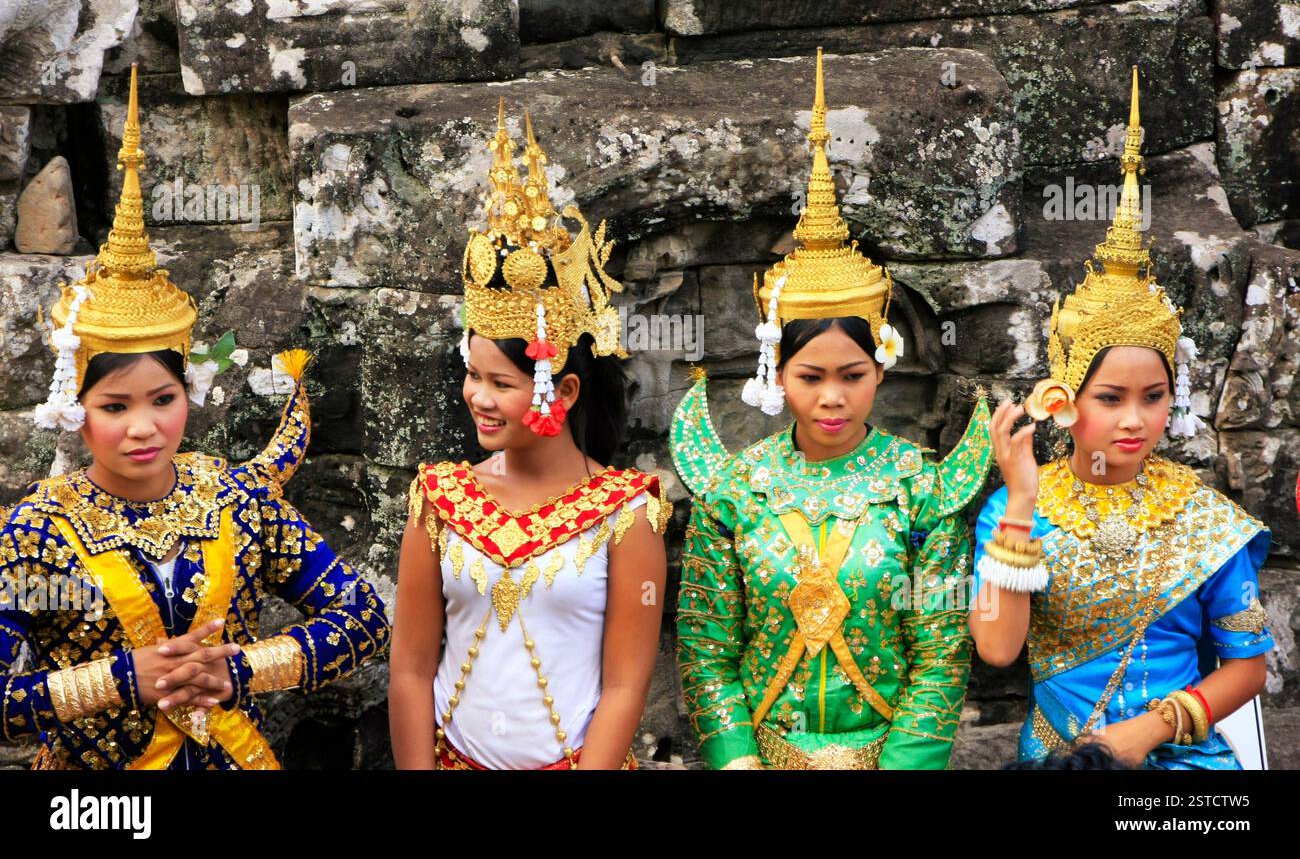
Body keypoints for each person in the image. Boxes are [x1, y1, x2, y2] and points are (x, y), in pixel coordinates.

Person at [0, 66, 390, 769]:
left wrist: (240, 670)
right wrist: (120, 681)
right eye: (114, 407)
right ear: (75, 409)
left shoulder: (237, 499)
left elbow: (362, 620)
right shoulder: (39, 531)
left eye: (163, 400)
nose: (144, 427)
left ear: (191, 394)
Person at [672, 49, 992, 770]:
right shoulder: (736, 490)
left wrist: (901, 765)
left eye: (852, 375)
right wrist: (740, 761)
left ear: (881, 370)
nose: (832, 397)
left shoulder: (921, 487)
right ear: (776, 375)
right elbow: (705, 646)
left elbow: (940, 653)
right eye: (810, 376)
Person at [969, 69, 1273, 769]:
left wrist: (1152, 730)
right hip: (1057, 758)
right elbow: (996, 649)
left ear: (1176, 396)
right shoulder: (1020, 511)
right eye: (1110, 398)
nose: (1135, 420)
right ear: (1062, 399)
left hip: (1184, 758)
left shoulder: (1204, 517)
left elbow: (1248, 669)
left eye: (1154, 396)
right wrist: (1018, 499)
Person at [388, 103, 669, 770]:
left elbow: (627, 685)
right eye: (473, 376)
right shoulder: (439, 499)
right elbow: (409, 669)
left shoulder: (627, 513)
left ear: (562, 392)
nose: (477, 398)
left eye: (501, 384)